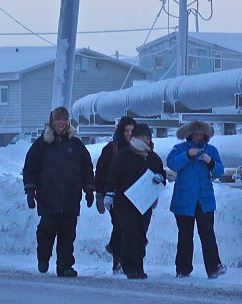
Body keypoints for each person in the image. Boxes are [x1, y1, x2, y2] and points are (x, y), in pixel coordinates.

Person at [22, 107, 95, 278]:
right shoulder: (41, 145)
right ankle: (43, 257)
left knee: (67, 234)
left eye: (63, 120)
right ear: (52, 121)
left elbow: (86, 168)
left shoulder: (76, 145)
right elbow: (30, 168)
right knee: (46, 230)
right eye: (57, 120)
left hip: (70, 197)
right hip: (48, 197)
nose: (60, 123)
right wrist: (30, 191)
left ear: (68, 122)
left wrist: (89, 189)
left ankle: (65, 266)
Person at [104, 123, 166, 280]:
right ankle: (129, 267)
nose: (145, 139)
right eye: (141, 137)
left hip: (144, 203)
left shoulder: (153, 157)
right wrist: (109, 193)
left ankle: (139, 266)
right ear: (135, 138)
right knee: (130, 233)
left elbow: (161, 173)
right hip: (125, 202)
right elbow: (113, 174)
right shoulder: (124, 155)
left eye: (147, 136)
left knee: (141, 234)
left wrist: (160, 178)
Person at [166, 121, 226, 279]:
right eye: (195, 134)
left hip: (204, 200)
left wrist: (210, 162)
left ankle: (214, 267)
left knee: (207, 233)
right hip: (184, 199)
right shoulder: (180, 149)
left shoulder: (211, 150)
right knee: (185, 235)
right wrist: (187, 155)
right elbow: (172, 164)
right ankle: (183, 269)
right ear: (190, 135)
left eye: (201, 134)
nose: (198, 137)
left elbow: (220, 171)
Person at [94, 116, 137, 274]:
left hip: (136, 196)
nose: (129, 134)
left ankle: (128, 257)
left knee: (134, 228)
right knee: (120, 226)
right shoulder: (111, 149)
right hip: (115, 196)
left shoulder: (143, 147)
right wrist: (100, 193)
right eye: (126, 130)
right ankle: (118, 259)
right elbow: (101, 172)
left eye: (132, 130)